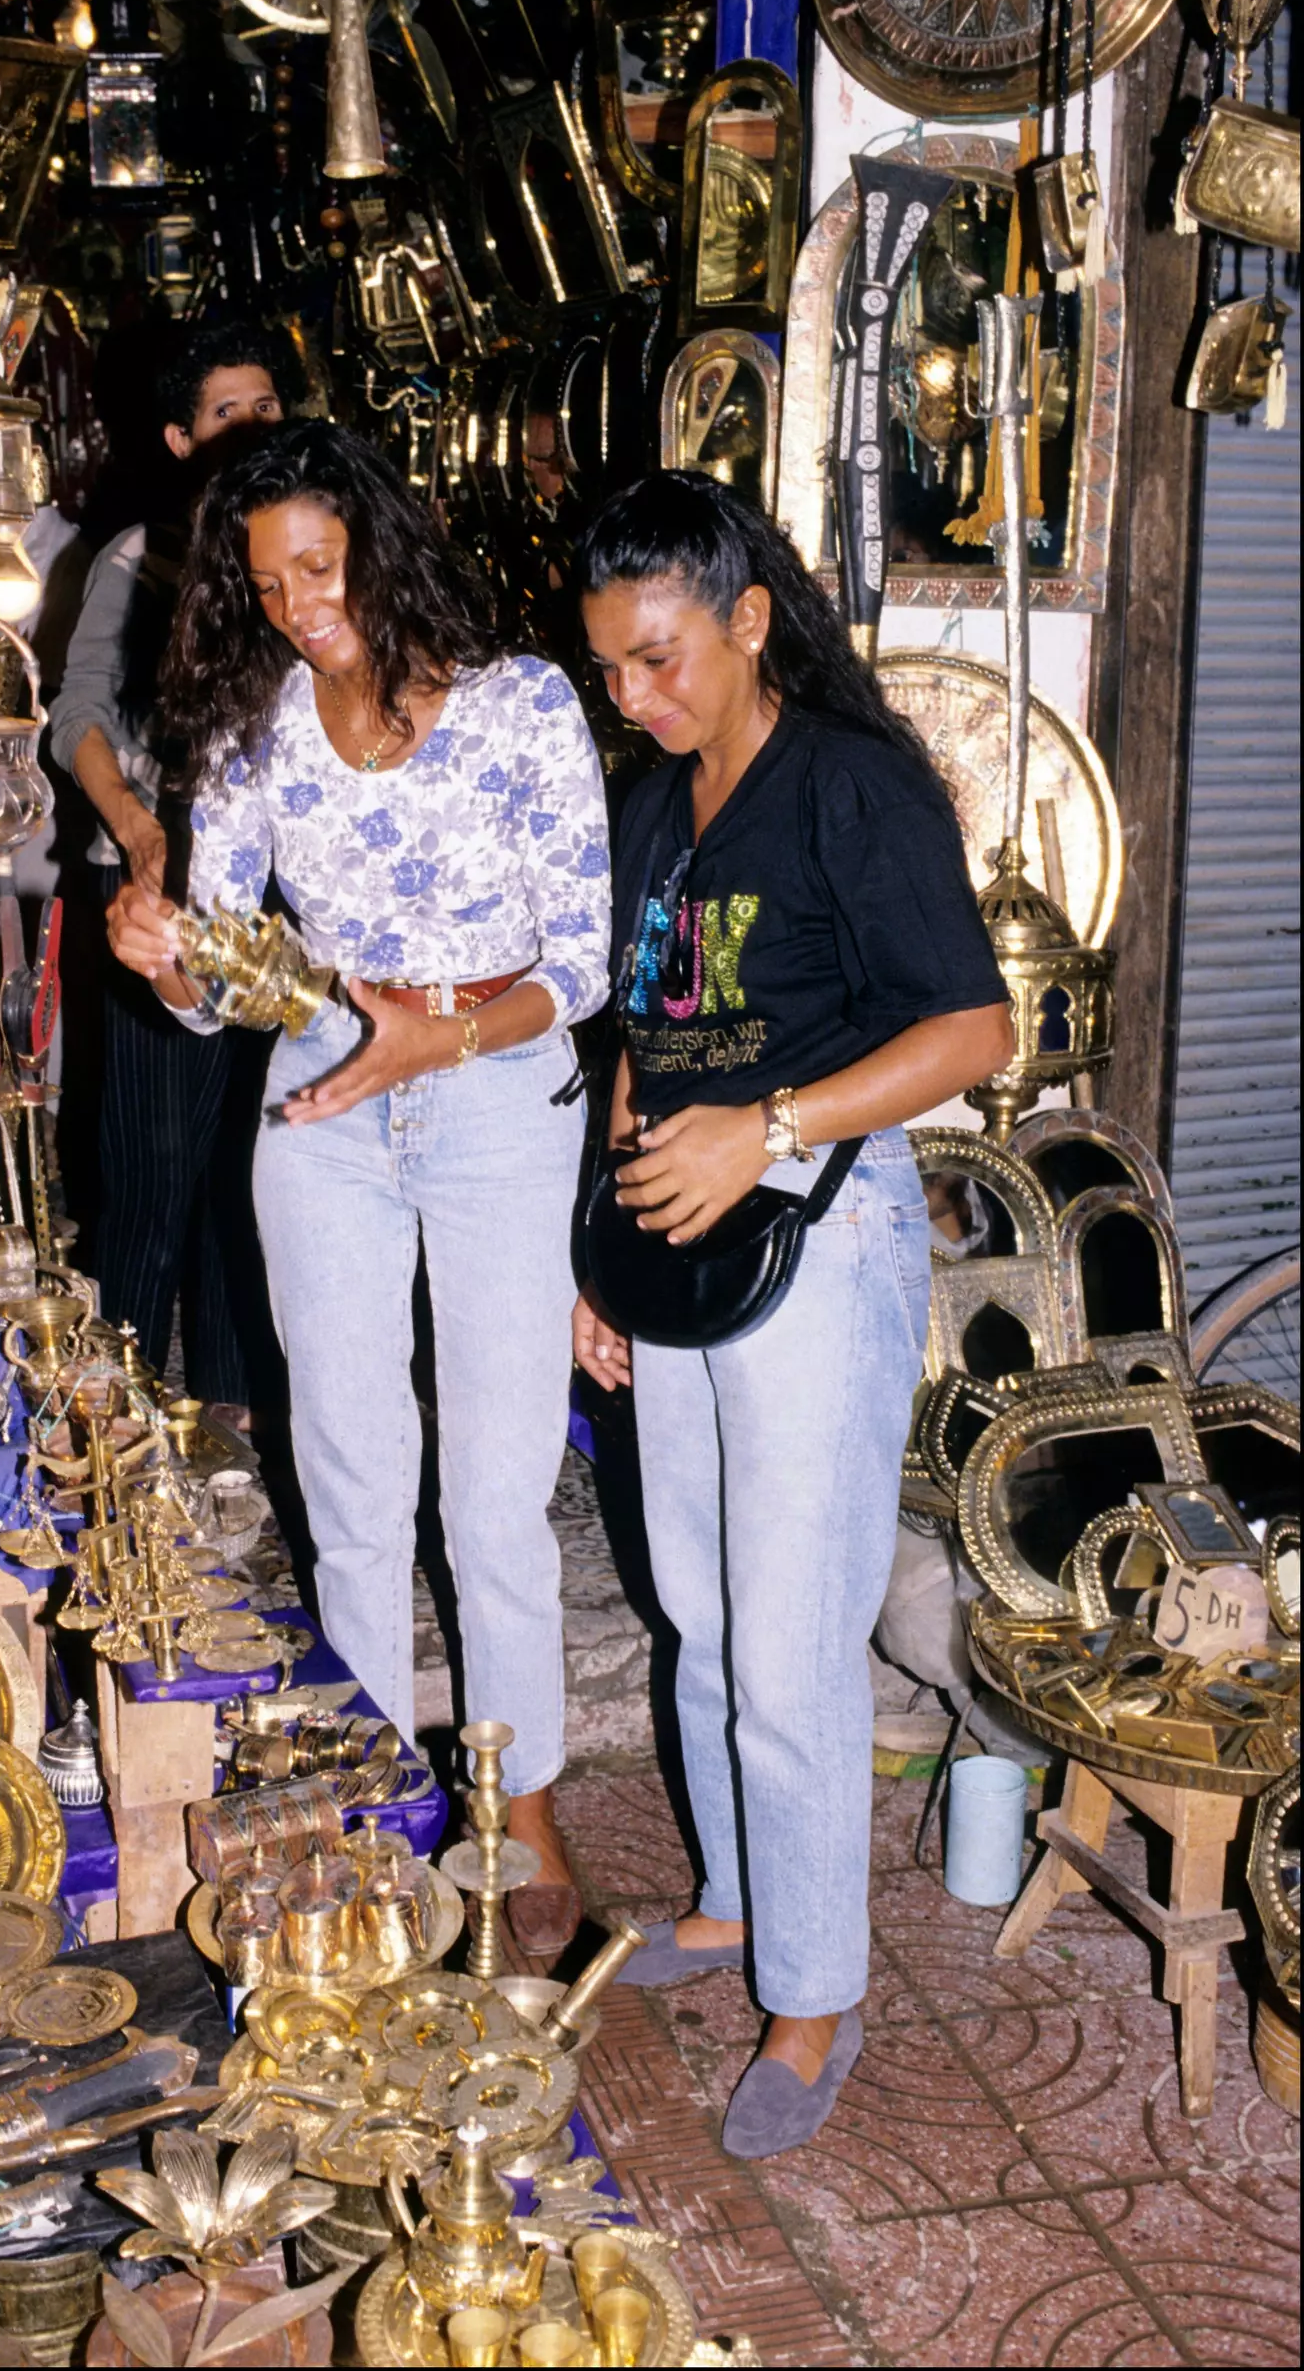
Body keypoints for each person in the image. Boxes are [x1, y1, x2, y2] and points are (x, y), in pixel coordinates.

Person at [106, 421, 611, 1953]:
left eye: (317, 567)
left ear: (379, 546)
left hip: (496, 1094)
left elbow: (581, 961)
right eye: (266, 584)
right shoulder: (258, 727)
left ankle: (515, 1799)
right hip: (322, 1099)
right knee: (347, 1474)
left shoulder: (521, 704)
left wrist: (437, 1031)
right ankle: (382, 1796)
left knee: (499, 1484)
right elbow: (218, 971)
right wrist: (169, 959)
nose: (297, 604)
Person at [572, 471, 1013, 2154]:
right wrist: (594, 1253)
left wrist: (769, 1127)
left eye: (663, 656)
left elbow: (971, 1029)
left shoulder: (852, 783)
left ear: (751, 618)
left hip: (820, 1235)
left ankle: (814, 1990)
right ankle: (742, 1896)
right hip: (673, 1242)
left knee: (792, 1640)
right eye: (613, 665)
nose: (640, 693)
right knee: (696, 1599)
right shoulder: (659, 802)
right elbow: (635, 1034)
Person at [48, 319, 297, 1407]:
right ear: (177, 437)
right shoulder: (140, 554)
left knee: (252, 1174)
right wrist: (140, 829)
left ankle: (233, 1429)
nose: (250, 428)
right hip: (153, 889)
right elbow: (77, 715)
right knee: (152, 1166)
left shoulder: (310, 557)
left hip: (280, 899)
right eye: (223, 412)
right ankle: (122, 1438)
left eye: (265, 407)